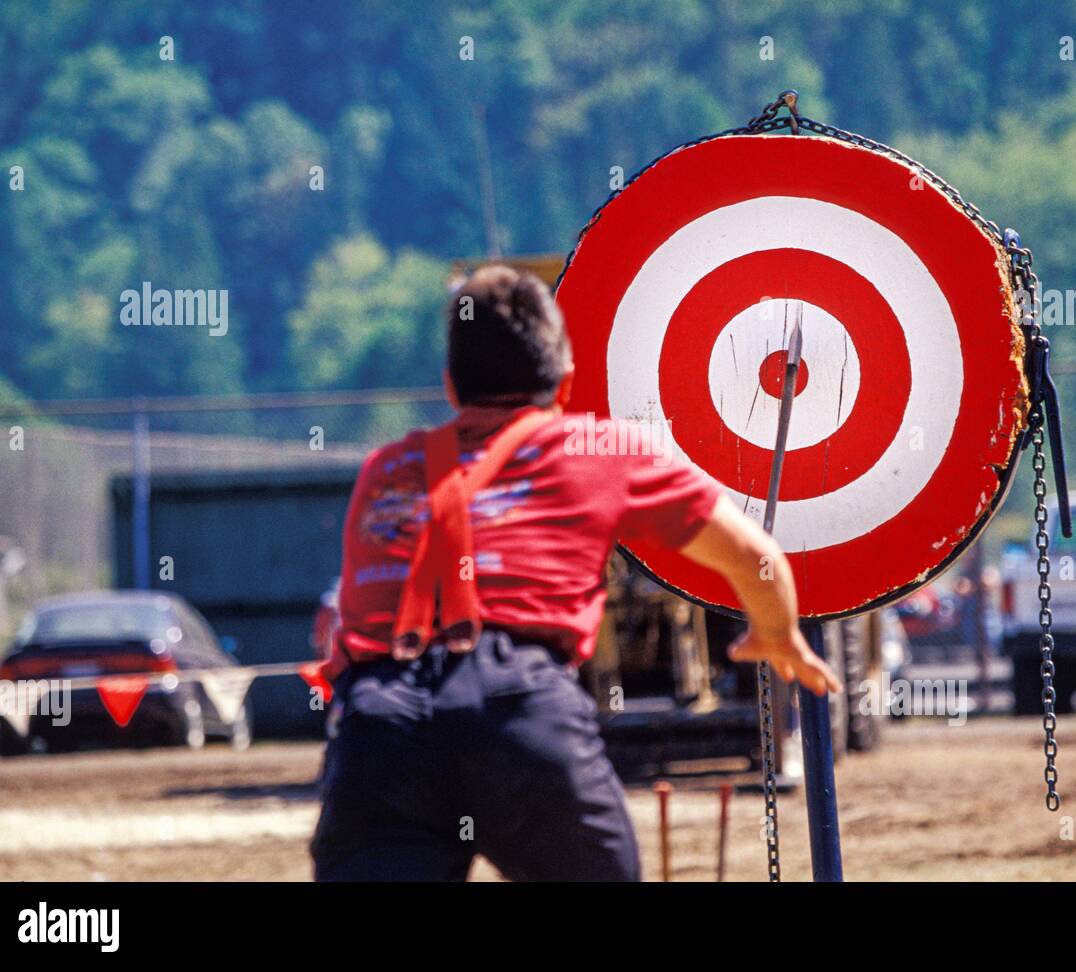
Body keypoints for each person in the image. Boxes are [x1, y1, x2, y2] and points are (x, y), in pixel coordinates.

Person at [310, 264, 839, 882]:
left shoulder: (385, 469)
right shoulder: (600, 450)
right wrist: (778, 634)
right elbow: (759, 560)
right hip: (517, 713)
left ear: (451, 388)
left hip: (379, 724)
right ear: (565, 383)